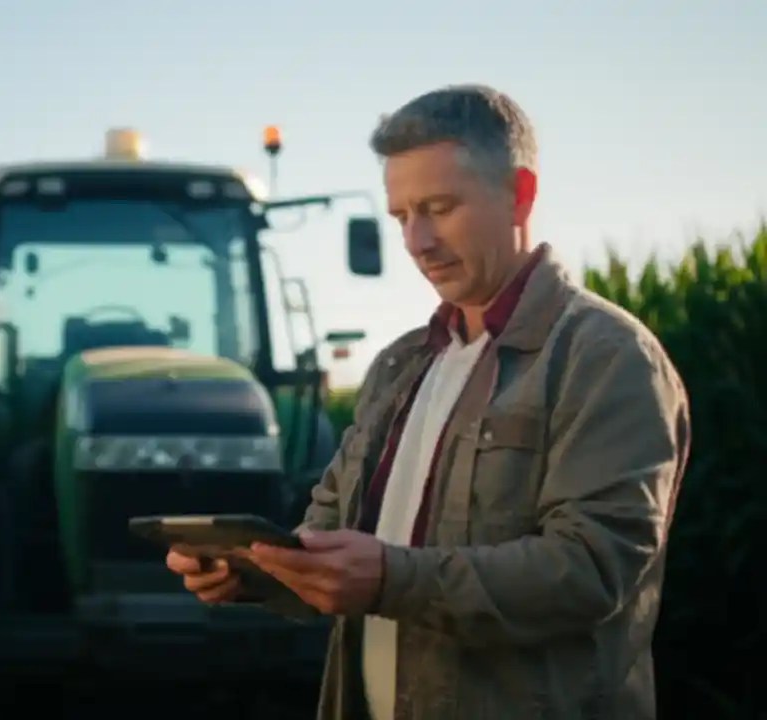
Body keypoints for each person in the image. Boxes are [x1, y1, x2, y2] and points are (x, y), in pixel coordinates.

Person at [165, 84, 691, 720]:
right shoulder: (399, 366)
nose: (416, 240)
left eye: (439, 208)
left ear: (521, 194)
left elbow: (590, 571)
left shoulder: (606, 357)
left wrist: (393, 578)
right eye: (401, 216)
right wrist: (256, 571)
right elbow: (330, 541)